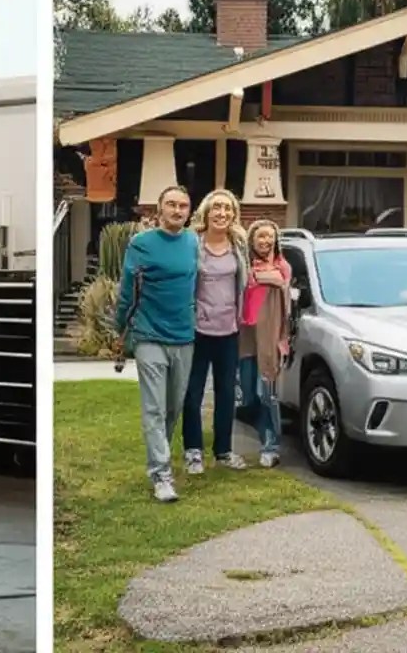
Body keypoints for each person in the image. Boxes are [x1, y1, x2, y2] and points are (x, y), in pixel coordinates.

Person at [115, 185, 197, 503]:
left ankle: (160, 458)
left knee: (173, 406)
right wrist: (120, 328)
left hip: (184, 336)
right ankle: (161, 474)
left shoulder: (192, 242)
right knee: (154, 407)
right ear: (160, 209)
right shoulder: (141, 244)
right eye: (172, 205)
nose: (177, 210)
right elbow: (127, 290)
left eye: (183, 206)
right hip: (148, 334)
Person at [181, 189, 249, 474]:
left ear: (233, 215)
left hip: (228, 331)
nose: (222, 213)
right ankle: (193, 451)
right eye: (216, 208)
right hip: (197, 331)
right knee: (192, 393)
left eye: (227, 208)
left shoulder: (238, 246)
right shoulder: (192, 244)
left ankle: (223, 450)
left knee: (225, 393)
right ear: (206, 213)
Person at [238, 218, 292, 468]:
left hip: (269, 339)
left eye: (270, 236)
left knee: (266, 394)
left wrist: (257, 275)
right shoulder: (244, 266)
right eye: (260, 236)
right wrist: (255, 274)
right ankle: (260, 430)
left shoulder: (282, 265)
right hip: (245, 337)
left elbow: (279, 279)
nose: (266, 241)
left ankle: (270, 446)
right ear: (252, 240)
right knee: (248, 396)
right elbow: (247, 280)